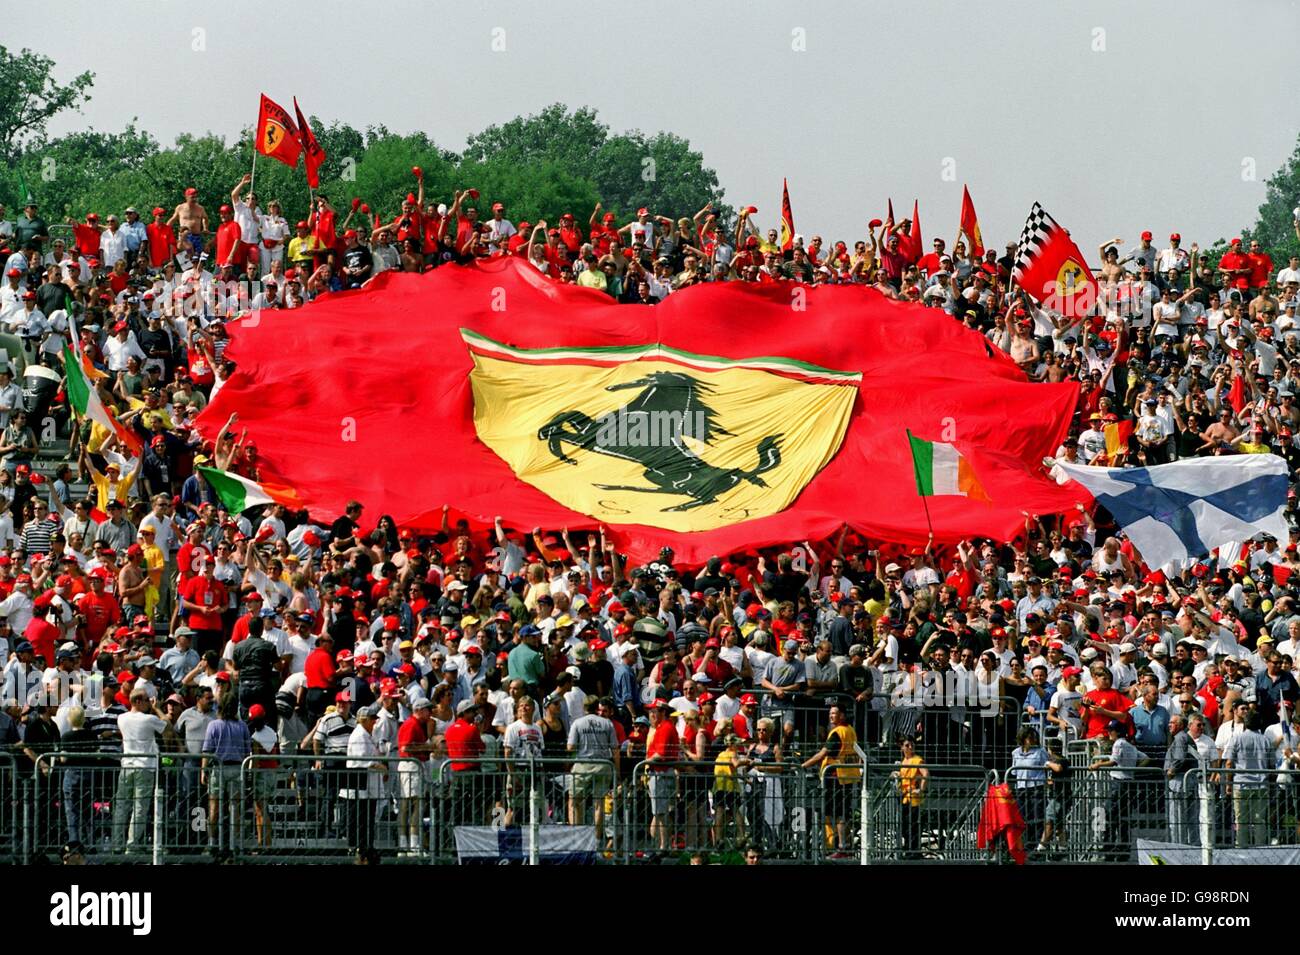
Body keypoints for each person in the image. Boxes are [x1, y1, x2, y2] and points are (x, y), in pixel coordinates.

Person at [800, 702, 860, 857]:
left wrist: (803, 766)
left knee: (838, 813)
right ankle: (843, 846)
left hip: (836, 778)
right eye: (830, 713)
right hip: (848, 777)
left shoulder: (837, 732)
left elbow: (822, 754)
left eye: (834, 713)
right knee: (844, 813)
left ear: (842, 715)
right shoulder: (850, 730)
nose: (831, 716)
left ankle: (841, 847)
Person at [341, 702, 386, 864]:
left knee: (367, 820)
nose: (375, 722)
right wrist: (379, 765)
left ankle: (366, 849)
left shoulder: (367, 734)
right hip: (361, 786)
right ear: (364, 720)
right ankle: (361, 851)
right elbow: (362, 760)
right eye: (372, 719)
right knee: (361, 820)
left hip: (367, 786)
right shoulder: (359, 735)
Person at [895, 735, 927, 859]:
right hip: (905, 796)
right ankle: (909, 849)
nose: (910, 747)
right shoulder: (904, 761)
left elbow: (925, 773)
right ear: (902, 747)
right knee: (905, 825)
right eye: (907, 745)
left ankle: (914, 851)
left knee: (913, 825)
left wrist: (921, 789)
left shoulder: (917, 760)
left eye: (912, 745)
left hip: (913, 796)